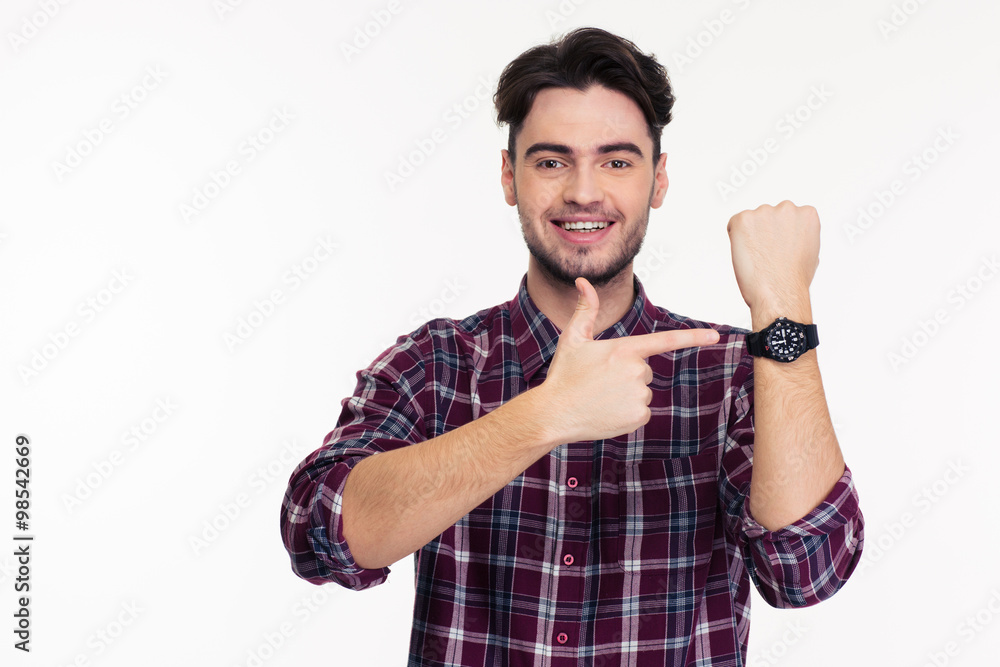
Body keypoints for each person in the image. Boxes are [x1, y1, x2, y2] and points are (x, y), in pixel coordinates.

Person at [280, 27, 863, 666]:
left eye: (617, 162)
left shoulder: (730, 371)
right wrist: (546, 415)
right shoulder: (438, 363)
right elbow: (318, 534)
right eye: (552, 162)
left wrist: (783, 305)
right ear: (510, 176)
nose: (584, 192)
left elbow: (808, 570)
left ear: (659, 180)